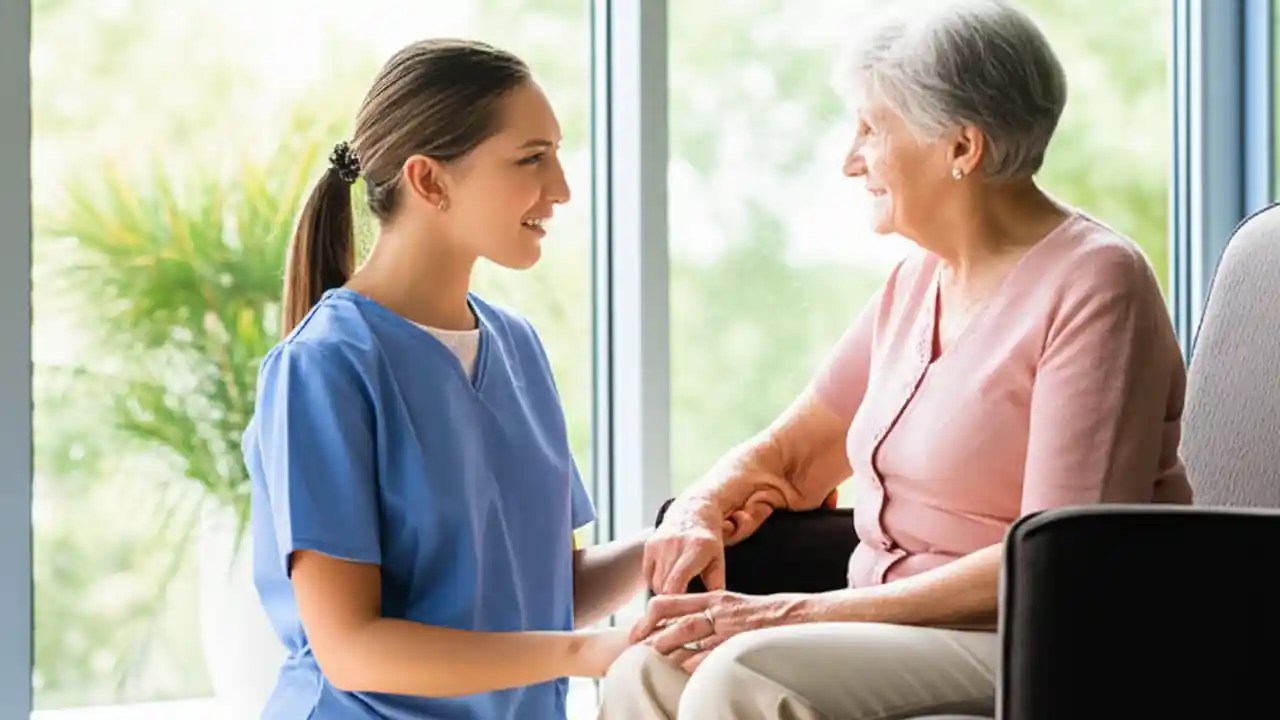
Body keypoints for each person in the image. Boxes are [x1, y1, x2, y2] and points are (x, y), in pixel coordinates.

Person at [598, 1, 1192, 718]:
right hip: (893, 626)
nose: (851, 160)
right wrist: (701, 504)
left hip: (1035, 636)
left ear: (961, 147)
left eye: (871, 129)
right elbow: (793, 457)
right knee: (647, 669)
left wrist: (796, 614)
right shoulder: (917, 282)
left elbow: (1057, 558)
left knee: (745, 675)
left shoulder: (1095, 284)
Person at [241, 39, 642, 720]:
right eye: (532, 158)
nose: (562, 189)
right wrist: (586, 653)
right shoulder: (325, 367)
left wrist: (674, 541)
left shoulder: (517, 347)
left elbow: (549, 594)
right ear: (429, 181)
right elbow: (352, 649)